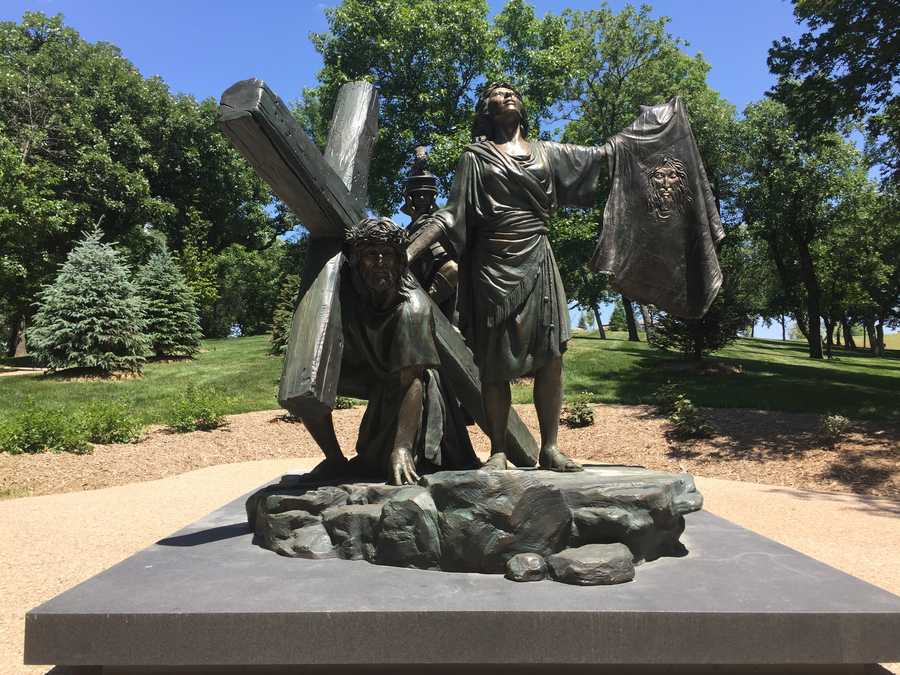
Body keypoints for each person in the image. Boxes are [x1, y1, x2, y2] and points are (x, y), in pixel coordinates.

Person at [407, 82, 612, 472]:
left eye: (512, 90)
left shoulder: (548, 153)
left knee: (551, 356)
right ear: (486, 109)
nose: (508, 95)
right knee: (493, 362)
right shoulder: (476, 157)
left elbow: (599, 158)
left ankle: (550, 447)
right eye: (498, 93)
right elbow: (452, 215)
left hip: (537, 255)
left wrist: (635, 142)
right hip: (491, 265)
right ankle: (498, 450)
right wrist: (407, 254)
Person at [305, 217, 478, 485]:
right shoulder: (349, 292)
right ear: (357, 261)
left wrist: (402, 449)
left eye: (388, 255)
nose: (381, 262)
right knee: (306, 380)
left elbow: (412, 382)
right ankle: (334, 459)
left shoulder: (412, 308)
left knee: (381, 459)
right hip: (374, 371)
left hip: (412, 387)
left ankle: (404, 451)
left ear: (400, 261)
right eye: (371, 255)